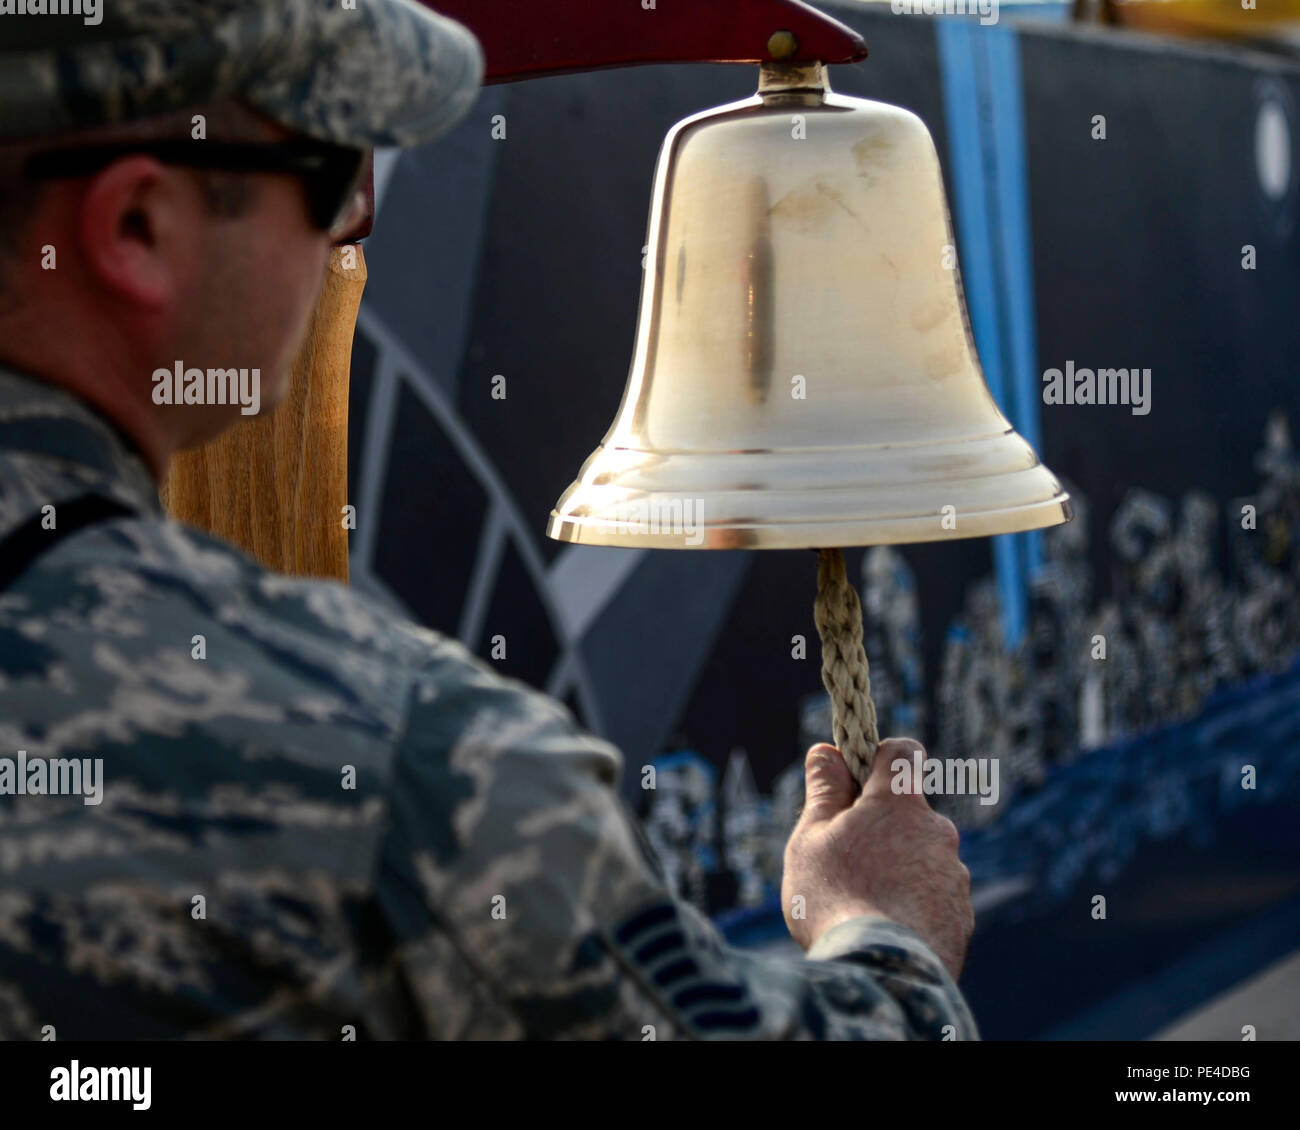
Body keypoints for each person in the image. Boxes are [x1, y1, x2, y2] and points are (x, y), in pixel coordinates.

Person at [0, 0, 976, 1040]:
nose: (346, 228)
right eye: (328, 168)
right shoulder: (403, 770)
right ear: (136, 227)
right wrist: (888, 934)